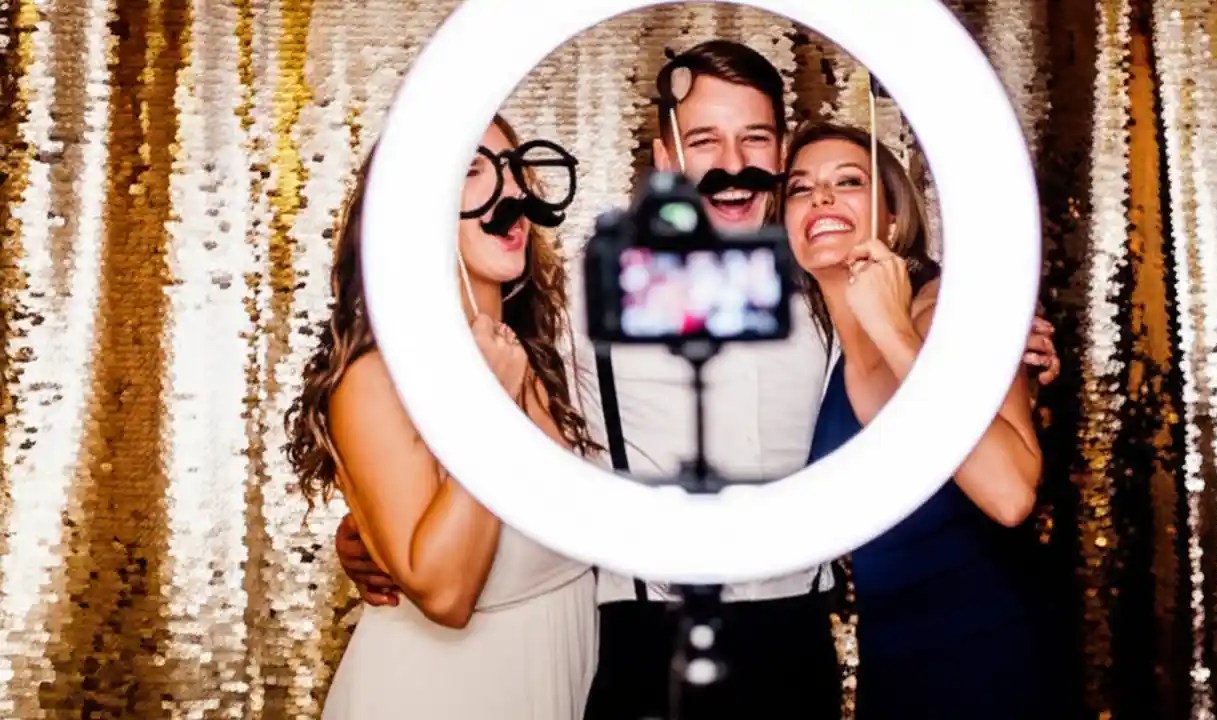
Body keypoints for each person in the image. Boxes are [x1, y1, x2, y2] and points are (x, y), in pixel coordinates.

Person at [333, 40, 1062, 718]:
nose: (731, 161)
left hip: (800, 642)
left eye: (754, 139)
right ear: (664, 157)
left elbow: (926, 332)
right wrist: (368, 530)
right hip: (643, 640)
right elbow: (461, 425)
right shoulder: (578, 298)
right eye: (704, 141)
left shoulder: (831, 284)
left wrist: (988, 345)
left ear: (778, 154)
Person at [284, 116, 600, 719]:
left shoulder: (541, 358)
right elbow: (447, 593)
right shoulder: (378, 379)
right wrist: (490, 410)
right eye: (473, 172)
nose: (509, 194)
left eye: (514, 172)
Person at [786, 119, 1049, 718]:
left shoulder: (957, 311)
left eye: (846, 181)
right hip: (892, 669)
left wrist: (896, 333)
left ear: (894, 220)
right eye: (800, 188)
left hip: (987, 666)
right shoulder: (823, 342)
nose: (820, 197)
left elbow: (1010, 495)